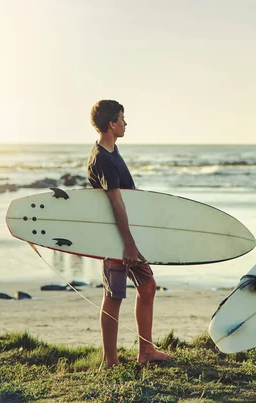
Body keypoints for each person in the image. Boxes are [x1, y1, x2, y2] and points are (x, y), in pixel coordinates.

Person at [87, 100, 169, 368]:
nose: (125, 124)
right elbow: (115, 203)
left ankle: (145, 351)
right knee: (113, 296)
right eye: (122, 119)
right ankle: (109, 361)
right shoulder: (102, 159)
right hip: (117, 239)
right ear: (111, 124)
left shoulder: (112, 151)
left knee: (147, 286)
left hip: (129, 235)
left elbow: (126, 197)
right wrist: (129, 244)